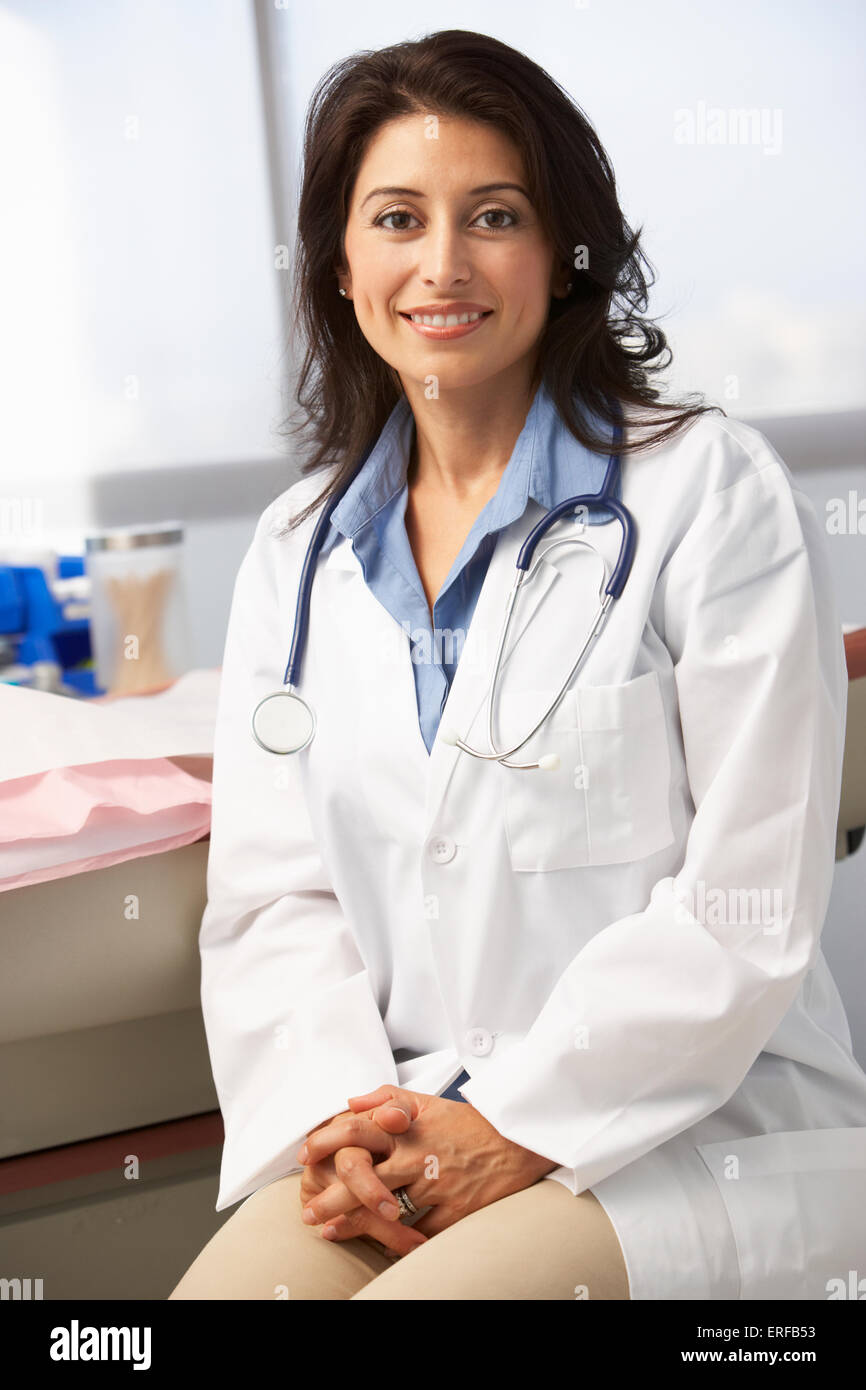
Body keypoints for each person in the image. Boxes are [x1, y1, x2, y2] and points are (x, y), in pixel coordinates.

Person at [170, 29, 866, 1301]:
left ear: (563, 253)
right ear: (338, 263)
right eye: (396, 218)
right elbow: (278, 899)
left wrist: (517, 1127)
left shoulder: (708, 492)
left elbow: (744, 907)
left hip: (685, 1126)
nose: (441, 264)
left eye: (492, 215)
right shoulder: (296, 551)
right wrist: (354, 1131)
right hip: (406, 1115)